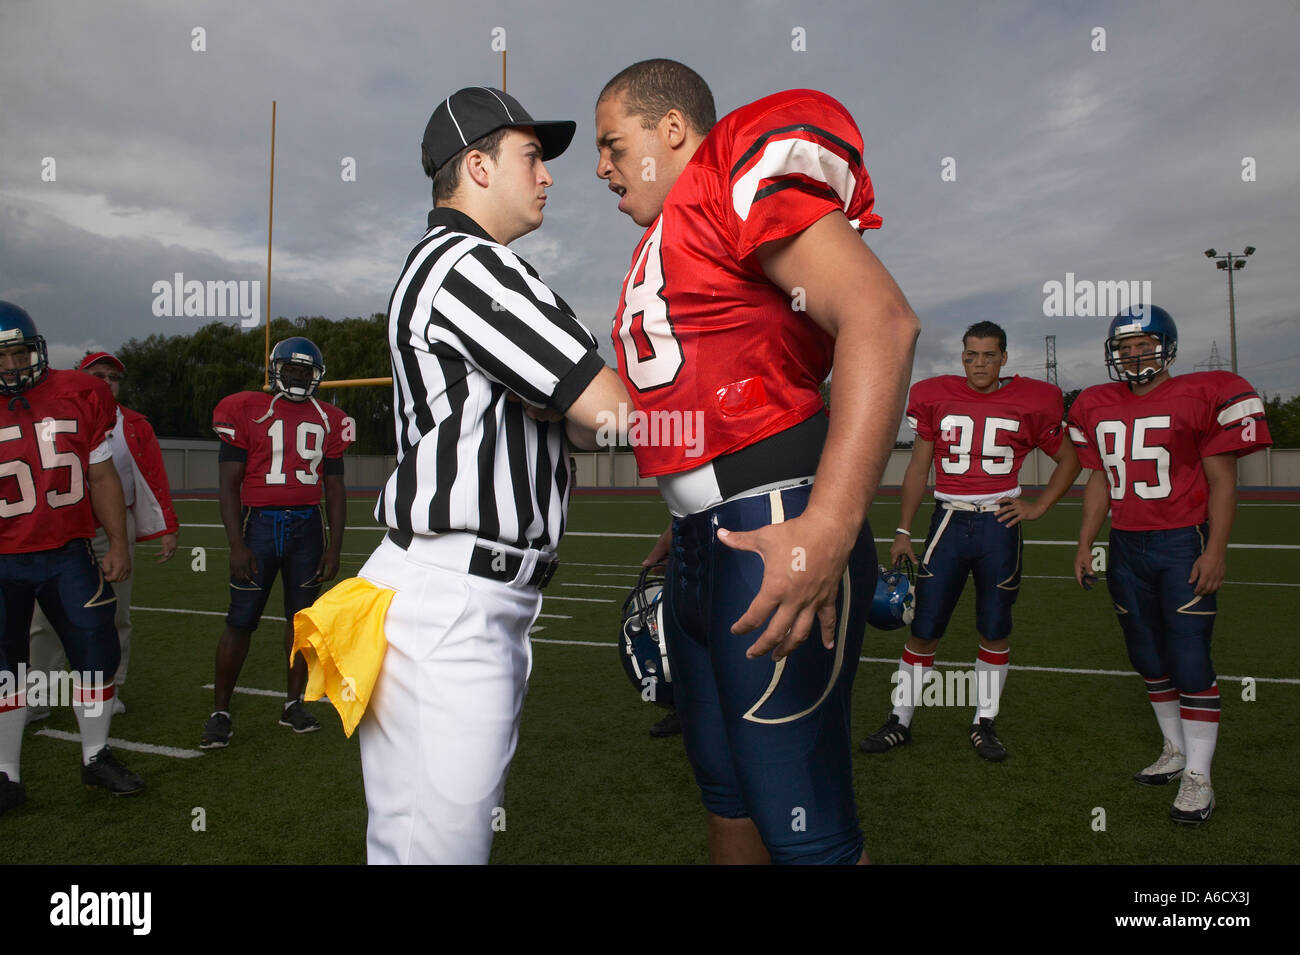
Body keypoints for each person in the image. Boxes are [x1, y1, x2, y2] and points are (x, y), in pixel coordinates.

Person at [594, 60, 920, 864]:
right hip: (707, 537)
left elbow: (882, 319)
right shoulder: (662, 241)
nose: (599, 167)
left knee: (806, 827)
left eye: (611, 144)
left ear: (671, 128)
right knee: (727, 793)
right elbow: (702, 395)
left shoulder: (731, 166)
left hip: (775, 521)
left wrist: (832, 524)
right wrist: (683, 519)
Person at [339, 87, 628, 864]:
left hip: (451, 594)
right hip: (453, 603)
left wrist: (571, 404)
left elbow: (578, 412)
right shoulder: (471, 265)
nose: (550, 176)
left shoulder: (453, 266)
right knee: (443, 851)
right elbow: (609, 411)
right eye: (532, 157)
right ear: (476, 164)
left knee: (408, 847)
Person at [1069, 304, 1270, 824]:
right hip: (1127, 545)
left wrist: (1215, 549)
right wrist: (1084, 541)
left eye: (1144, 345)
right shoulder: (1095, 402)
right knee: (1147, 657)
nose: (1134, 356)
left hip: (1182, 541)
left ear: (1167, 346)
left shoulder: (1201, 394)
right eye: (1125, 348)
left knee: (1189, 658)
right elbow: (1096, 480)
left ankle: (1200, 775)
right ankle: (1175, 750)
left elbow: (1223, 480)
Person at [859, 321, 1080, 760]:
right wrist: (903, 531)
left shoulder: (1031, 400)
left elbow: (1069, 461)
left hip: (1000, 526)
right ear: (963, 357)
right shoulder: (935, 396)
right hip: (949, 523)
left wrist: (1036, 507)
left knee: (995, 628)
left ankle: (984, 722)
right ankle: (899, 719)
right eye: (972, 355)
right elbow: (918, 469)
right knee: (923, 629)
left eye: (989, 355)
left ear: (1003, 358)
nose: (980, 363)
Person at [0, 301, 144, 815]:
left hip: (67, 553)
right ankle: (6, 772)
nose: (12, 367)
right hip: (4, 559)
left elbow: (103, 475)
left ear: (35, 350)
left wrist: (120, 543)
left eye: (19, 354)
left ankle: (96, 754)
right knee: (6, 668)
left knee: (96, 650)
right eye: (1, 358)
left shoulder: (80, 392)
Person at [200, 337, 349, 748]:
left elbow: (335, 488)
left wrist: (334, 546)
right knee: (240, 619)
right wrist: (236, 543)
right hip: (259, 525)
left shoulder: (330, 418)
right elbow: (228, 484)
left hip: (307, 527)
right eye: (292, 368)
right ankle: (220, 712)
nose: (299, 376)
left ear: (316, 375)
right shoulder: (246, 408)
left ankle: (293, 704)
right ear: (276, 370)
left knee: (301, 623)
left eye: (306, 370)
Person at [26, 351, 179, 720]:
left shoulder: (134, 423)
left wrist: (168, 526)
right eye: (98, 374)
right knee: (43, 618)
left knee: (114, 612)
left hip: (113, 526)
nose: (106, 382)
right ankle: (39, 694)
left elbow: (153, 474)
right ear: (81, 377)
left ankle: (109, 688)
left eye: (113, 377)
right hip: (61, 527)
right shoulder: (53, 416)